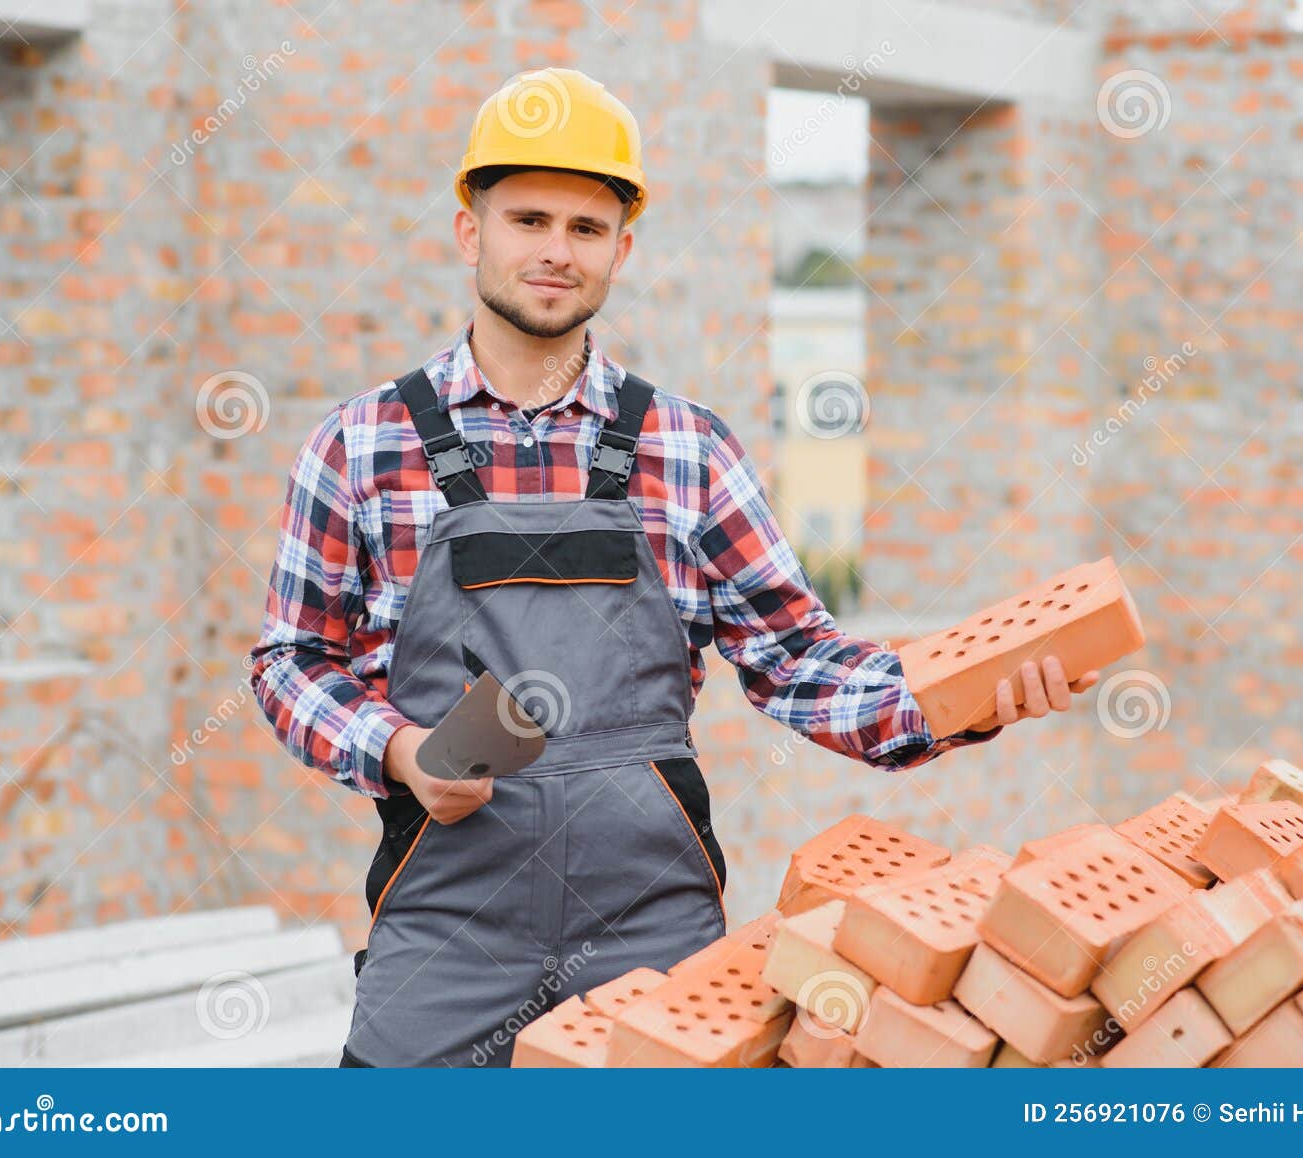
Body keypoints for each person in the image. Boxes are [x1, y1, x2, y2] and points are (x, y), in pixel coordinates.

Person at [248, 67, 1099, 1068]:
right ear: (468, 230)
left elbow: (798, 661)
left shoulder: (686, 450)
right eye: (528, 219)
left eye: (586, 227)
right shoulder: (361, 444)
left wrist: (964, 694)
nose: (556, 251)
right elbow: (291, 661)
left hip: (649, 932)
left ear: (622, 248)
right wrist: (401, 752)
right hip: (446, 932)